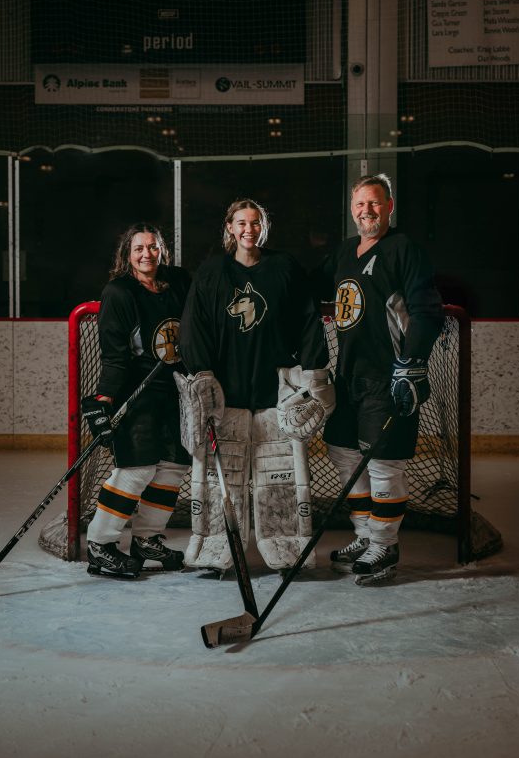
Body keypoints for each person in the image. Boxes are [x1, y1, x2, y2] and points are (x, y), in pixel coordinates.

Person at [176, 198, 334, 573]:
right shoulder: (213, 271)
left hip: (273, 394)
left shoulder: (284, 268)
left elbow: (309, 319)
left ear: (264, 227)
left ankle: (288, 548)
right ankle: (214, 549)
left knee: (279, 481)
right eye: (241, 223)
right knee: (220, 482)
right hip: (224, 396)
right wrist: (201, 374)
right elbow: (193, 323)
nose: (249, 229)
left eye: (256, 222)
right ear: (230, 228)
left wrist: (313, 373)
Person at [312, 174, 444, 584]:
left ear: (389, 206)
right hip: (350, 377)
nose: (365, 211)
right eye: (359, 205)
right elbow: (310, 289)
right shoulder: (345, 252)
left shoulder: (404, 249)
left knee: (385, 463)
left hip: (388, 378)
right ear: (352, 210)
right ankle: (365, 534)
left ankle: (385, 545)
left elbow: (426, 310)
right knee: (343, 452)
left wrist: (411, 363)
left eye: (373, 203)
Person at [81, 222, 191, 578]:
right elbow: (114, 355)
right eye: (139, 248)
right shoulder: (119, 291)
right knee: (137, 468)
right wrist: (104, 399)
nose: (147, 254)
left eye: (153, 247)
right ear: (127, 255)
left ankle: (147, 539)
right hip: (138, 391)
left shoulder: (177, 283)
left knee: (173, 466)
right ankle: (101, 543)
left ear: (162, 250)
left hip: (175, 390)